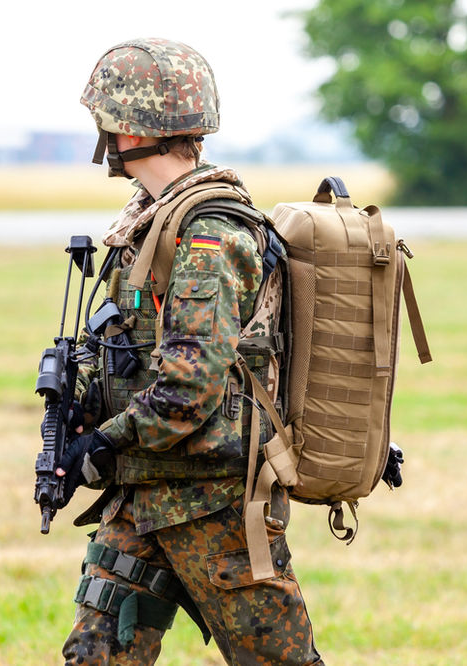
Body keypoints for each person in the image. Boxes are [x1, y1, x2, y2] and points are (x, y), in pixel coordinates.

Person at [55, 38, 324, 665]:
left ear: (128, 129)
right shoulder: (150, 218)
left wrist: (103, 442)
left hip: (212, 504)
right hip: (144, 491)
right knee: (96, 656)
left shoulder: (209, 234)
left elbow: (189, 389)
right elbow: (136, 352)